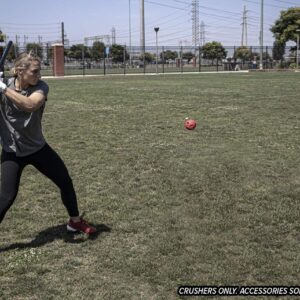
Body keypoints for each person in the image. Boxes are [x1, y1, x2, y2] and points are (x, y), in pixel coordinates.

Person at [0, 52, 96, 234]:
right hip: (12, 151)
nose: (39, 75)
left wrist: (4, 89)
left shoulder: (40, 87)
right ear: (20, 71)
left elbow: (30, 105)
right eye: (35, 72)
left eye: (39, 71)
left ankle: (75, 222)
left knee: (65, 181)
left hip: (37, 148)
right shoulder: (6, 86)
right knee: (6, 196)